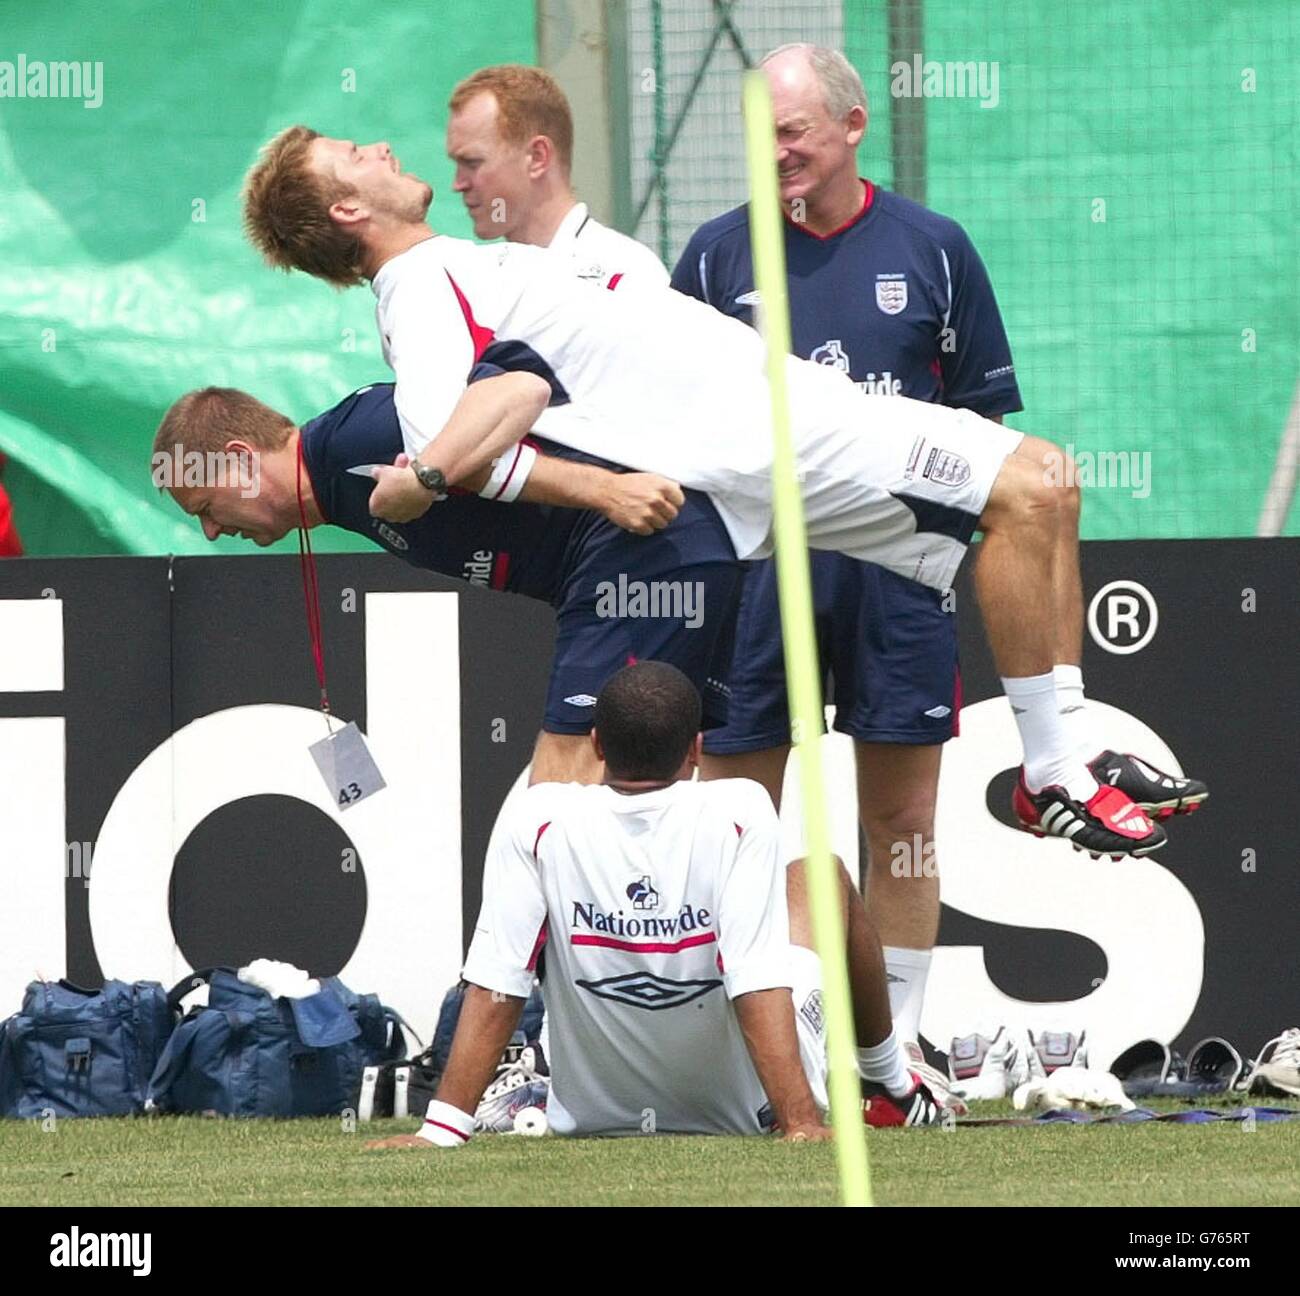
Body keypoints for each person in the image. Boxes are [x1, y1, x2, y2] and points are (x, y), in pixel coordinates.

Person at [238, 122, 1206, 860]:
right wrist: (430, 478)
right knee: (1034, 482)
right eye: (349, 157)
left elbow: (506, 400)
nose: (377, 146)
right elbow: (437, 433)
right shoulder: (413, 283)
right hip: (761, 441)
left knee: (1040, 499)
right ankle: (1051, 770)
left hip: (765, 431)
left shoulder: (457, 266)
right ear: (347, 215)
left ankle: (1061, 759)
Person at [672, 44, 1029, 1084]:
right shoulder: (711, 256)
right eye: (757, 137)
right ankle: (746, 1051)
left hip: (894, 579)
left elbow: (984, 427)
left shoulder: (933, 247)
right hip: (754, 577)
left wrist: (933, 548)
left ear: (850, 125)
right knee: (734, 810)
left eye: (789, 132)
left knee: (901, 820)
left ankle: (894, 1052)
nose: (773, 154)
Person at [367, 661, 944, 1148]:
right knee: (821, 875)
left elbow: (497, 984)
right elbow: (756, 977)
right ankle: (892, 1083)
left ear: (596, 745)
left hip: (592, 1119)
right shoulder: (739, 808)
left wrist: (439, 1131)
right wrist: (797, 1121)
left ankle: (885, 1084)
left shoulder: (535, 816)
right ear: (697, 750)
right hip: (744, 1113)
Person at [150, 377, 742, 774]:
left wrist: (607, 490)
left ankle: (513, 969)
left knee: (564, 787)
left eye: (204, 507)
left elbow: (519, 388)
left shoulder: (362, 435)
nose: (209, 531)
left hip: (639, 546)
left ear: (243, 460)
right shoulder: (333, 483)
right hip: (658, 557)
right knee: (720, 778)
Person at [446, 63, 668, 289]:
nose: (458, 184)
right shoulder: (483, 285)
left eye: (472, 163)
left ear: (537, 157)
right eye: (457, 163)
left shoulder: (623, 274)